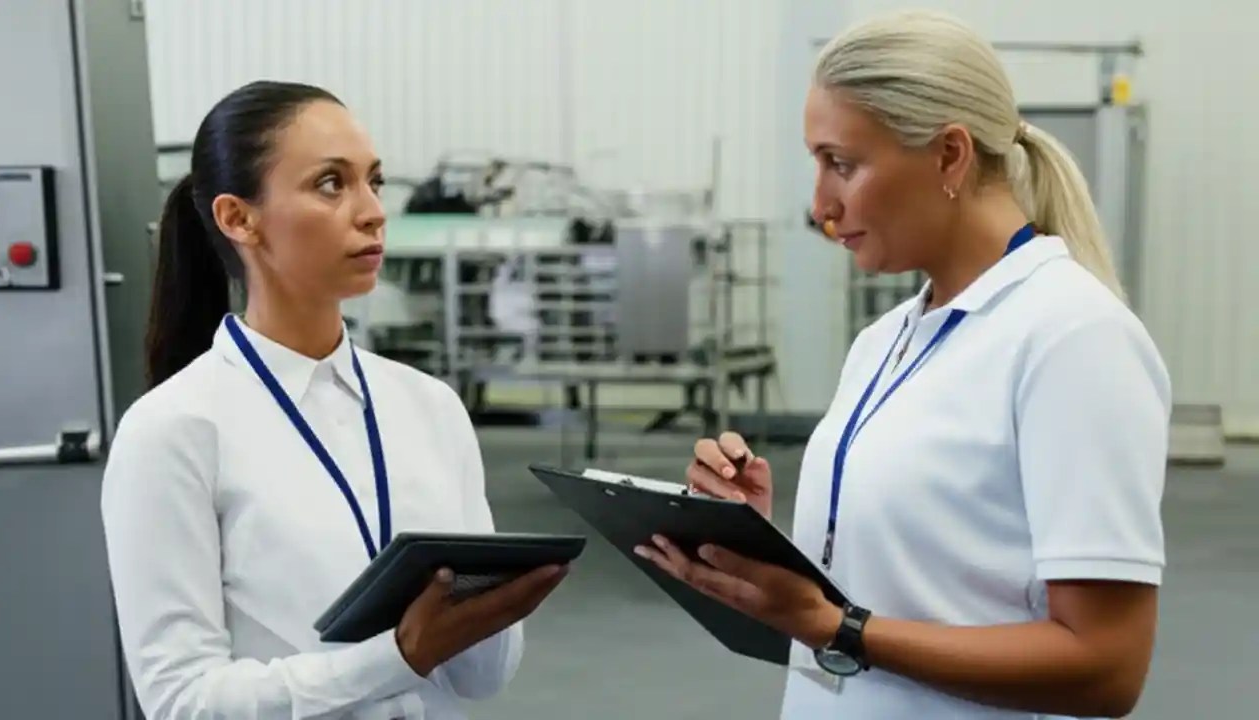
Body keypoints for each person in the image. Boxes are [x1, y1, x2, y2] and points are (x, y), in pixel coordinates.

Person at [637, 10, 1170, 720]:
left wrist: (835, 626)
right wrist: (759, 550)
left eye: (842, 164)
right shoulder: (887, 339)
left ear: (950, 155)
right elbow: (909, 583)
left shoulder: (1072, 338)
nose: (822, 206)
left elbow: (1104, 667)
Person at [100, 80, 569, 720]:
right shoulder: (174, 429)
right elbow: (184, 701)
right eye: (330, 184)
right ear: (239, 218)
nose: (373, 209)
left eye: (374, 181)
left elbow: (479, 681)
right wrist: (399, 655)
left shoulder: (428, 407)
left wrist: (490, 610)